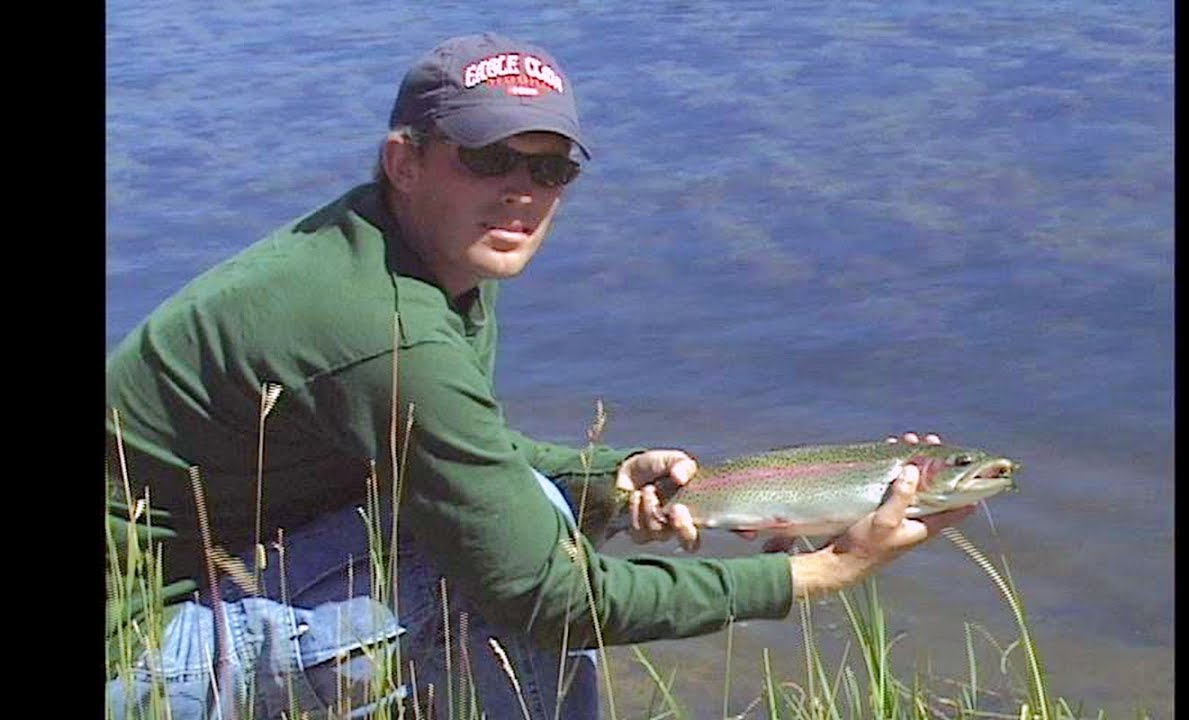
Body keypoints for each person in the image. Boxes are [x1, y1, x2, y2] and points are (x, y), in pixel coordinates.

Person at [105, 32, 972, 720]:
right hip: (136, 648)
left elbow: (458, 448)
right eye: (487, 160)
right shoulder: (384, 328)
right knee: (492, 581)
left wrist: (606, 477)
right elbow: (545, 597)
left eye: (549, 167)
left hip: (220, 569)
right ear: (404, 160)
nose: (523, 192)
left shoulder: (407, 252)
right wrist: (816, 573)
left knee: (531, 509)